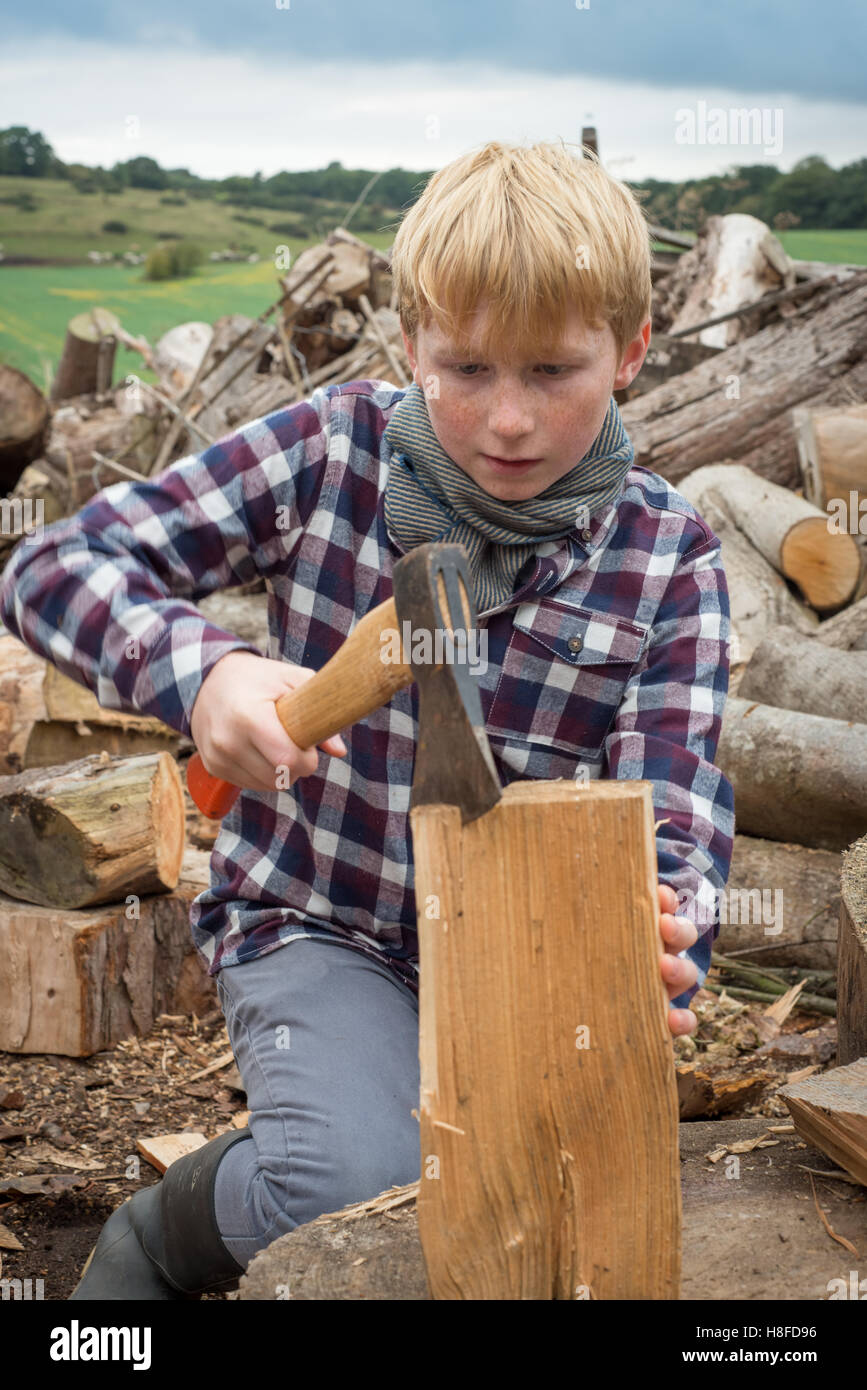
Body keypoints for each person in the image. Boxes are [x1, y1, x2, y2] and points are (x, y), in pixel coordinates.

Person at [0, 139, 733, 1301]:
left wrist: (662, 929)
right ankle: (160, 1235)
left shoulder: (670, 561)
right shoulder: (328, 454)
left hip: (524, 956)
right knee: (362, 1185)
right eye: (465, 368)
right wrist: (205, 673)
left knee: (535, 1227)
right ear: (408, 346)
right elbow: (54, 562)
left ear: (632, 351)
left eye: (553, 371)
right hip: (319, 920)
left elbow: (679, 822)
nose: (506, 419)